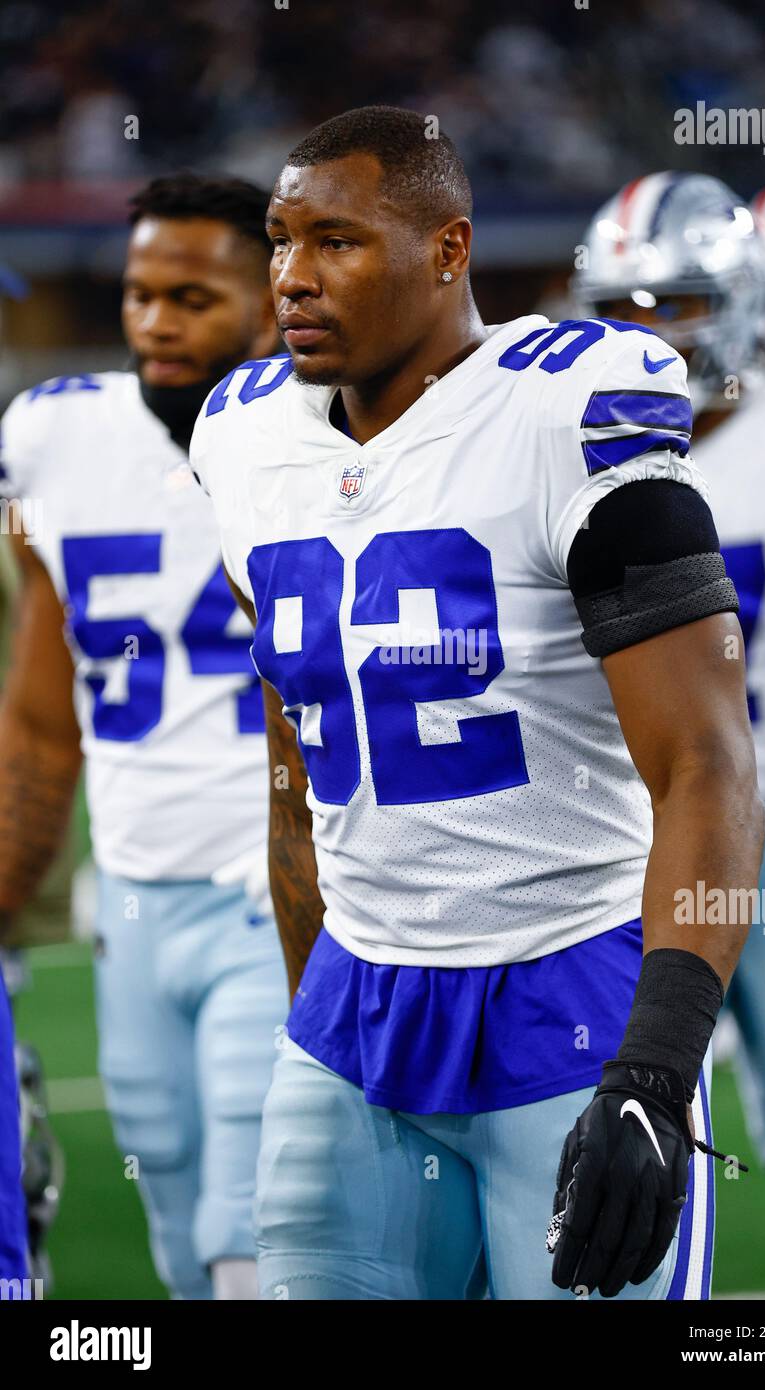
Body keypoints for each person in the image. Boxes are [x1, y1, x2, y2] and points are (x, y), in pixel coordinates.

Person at [191, 107, 765, 1301]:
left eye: (337, 241)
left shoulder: (570, 413)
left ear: (448, 251)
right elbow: (295, 759)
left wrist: (654, 1071)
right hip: (355, 1006)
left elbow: (706, 768)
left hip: (568, 993)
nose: (292, 276)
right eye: (279, 240)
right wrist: (320, 1002)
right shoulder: (243, 436)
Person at [0, 174, 289, 1301]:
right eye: (137, 295)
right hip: (132, 901)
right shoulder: (52, 436)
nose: (156, 324)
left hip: (279, 894)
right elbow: (39, 712)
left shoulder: (331, 434)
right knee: (171, 1213)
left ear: (271, 302)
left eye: (191, 297)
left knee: (249, 1233)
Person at [577, 170, 765, 1293]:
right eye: (625, 309)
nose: (649, 335)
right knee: (608, 1155)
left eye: (680, 302)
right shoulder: (567, 449)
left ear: (742, 300)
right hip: (629, 853)